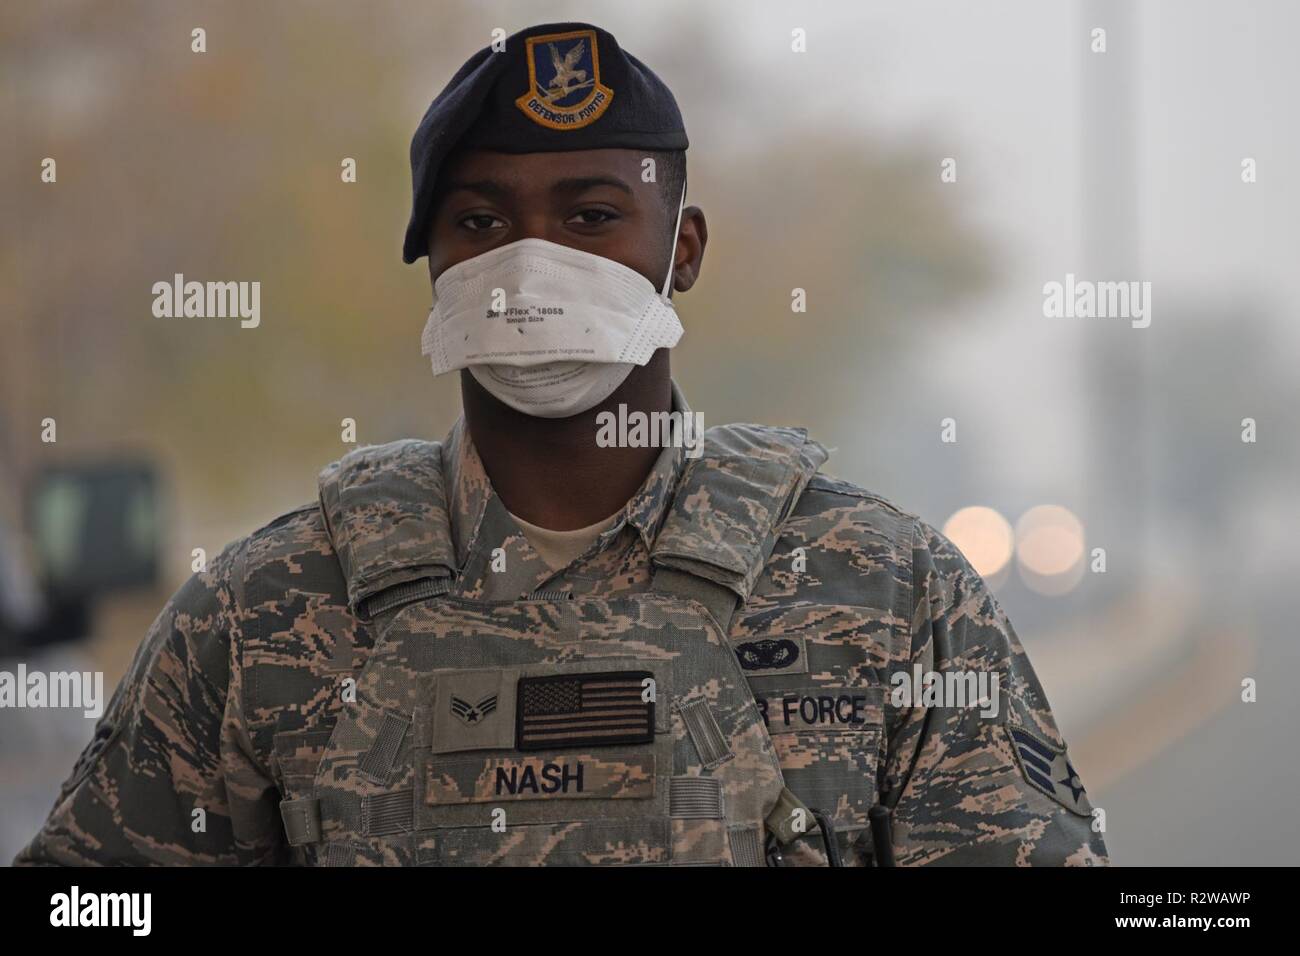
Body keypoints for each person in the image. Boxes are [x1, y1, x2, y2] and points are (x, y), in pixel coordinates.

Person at [15, 21, 1106, 866]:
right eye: (481, 222)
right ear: (432, 258)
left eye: (590, 217)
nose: (530, 267)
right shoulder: (268, 609)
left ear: (682, 249)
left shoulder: (880, 586)